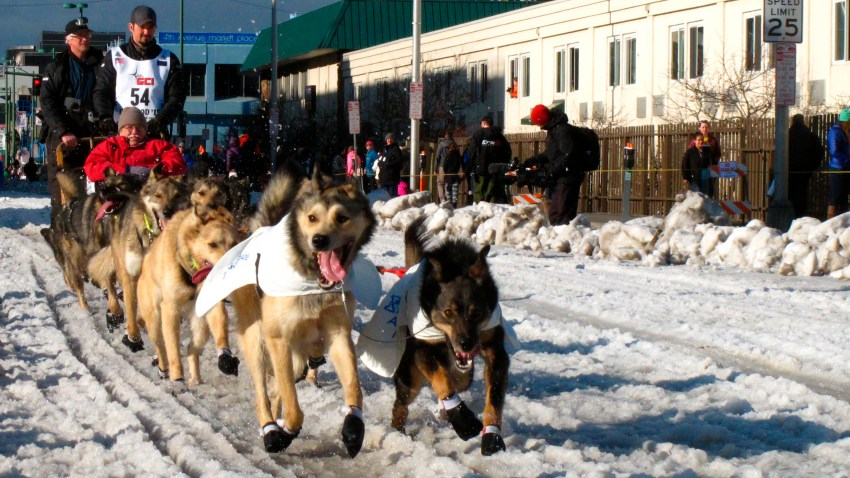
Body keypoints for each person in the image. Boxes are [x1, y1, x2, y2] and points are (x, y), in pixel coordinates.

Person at [40, 16, 104, 219]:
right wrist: (63, 130)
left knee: (96, 185)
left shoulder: (102, 63)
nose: (84, 39)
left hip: (92, 132)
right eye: (79, 36)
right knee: (63, 188)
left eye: (87, 35)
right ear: (68, 40)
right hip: (64, 133)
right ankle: (62, 229)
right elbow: (48, 102)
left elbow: (109, 93)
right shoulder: (56, 66)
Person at [94, 5, 185, 139]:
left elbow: (176, 98)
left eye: (151, 27)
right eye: (142, 27)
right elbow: (102, 91)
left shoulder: (168, 60)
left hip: (153, 134)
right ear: (131, 27)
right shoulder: (114, 56)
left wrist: (159, 121)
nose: (147, 32)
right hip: (121, 132)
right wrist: (105, 116)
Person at [84, 106, 185, 183]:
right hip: (119, 191)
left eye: (139, 128)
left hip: (150, 191)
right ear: (120, 131)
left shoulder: (157, 145)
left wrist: (153, 171)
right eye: (129, 128)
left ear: (145, 131)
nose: (134, 132)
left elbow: (177, 162)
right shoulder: (110, 146)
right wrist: (125, 170)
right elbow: (92, 166)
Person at [525, 104, 588, 225]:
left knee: (561, 214)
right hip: (560, 176)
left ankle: (564, 238)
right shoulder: (553, 130)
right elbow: (551, 154)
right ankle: (559, 235)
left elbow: (568, 156)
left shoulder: (562, 130)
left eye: (538, 123)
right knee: (555, 212)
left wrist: (550, 170)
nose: (538, 127)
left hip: (568, 177)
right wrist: (533, 160)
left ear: (542, 120)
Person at [468, 115, 511, 203]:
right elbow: (507, 151)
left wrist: (470, 166)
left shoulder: (478, 134)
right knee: (491, 191)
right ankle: (491, 210)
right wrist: (503, 165)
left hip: (480, 167)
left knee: (479, 190)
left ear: (484, 123)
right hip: (495, 168)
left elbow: (471, 151)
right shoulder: (499, 136)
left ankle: (480, 209)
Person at [788, 114, 824, 218]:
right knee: (802, 192)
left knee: (790, 193)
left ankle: (792, 216)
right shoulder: (810, 135)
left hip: (790, 169)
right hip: (805, 170)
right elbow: (819, 151)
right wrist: (813, 166)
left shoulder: (787, 135)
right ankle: (801, 215)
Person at [688, 120, 721, 197]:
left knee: (710, 189)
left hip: (710, 168)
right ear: (699, 128)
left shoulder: (712, 140)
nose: (705, 129)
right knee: (698, 190)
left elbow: (718, 153)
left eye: (706, 127)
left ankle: (709, 204)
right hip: (698, 170)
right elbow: (690, 153)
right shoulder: (694, 141)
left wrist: (714, 163)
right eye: (703, 127)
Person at [827, 109, 850, 218]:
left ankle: (843, 223)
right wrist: (847, 159)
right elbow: (834, 151)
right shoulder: (835, 132)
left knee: (845, 197)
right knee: (835, 197)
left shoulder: (846, 131)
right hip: (837, 168)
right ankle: (830, 221)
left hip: (846, 167)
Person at [380, 133, 404, 198]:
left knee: (392, 197)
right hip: (385, 179)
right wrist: (380, 164)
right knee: (385, 197)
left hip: (392, 179)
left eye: (390, 138)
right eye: (388, 139)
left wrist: (389, 164)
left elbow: (399, 161)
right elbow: (382, 160)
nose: (389, 140)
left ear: (393, 140)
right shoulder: (385, 150)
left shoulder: (396, 149)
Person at [435, 130, 455, 203]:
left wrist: (435, 168)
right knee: (448, 183)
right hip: (452, 167)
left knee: (440, 183)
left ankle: (442, 199)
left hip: (442, 166)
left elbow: (437, 157)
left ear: (445, 136)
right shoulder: (454, 144)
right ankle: (449, 199)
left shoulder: (441, 144)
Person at [443, 141, 464, 208]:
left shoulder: (447, 156)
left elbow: (444, 167)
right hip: (455, 177)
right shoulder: (459, 156)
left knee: (448, 195)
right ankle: (454, 207)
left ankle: (449, 208)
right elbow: (463, 166)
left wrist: (446, 174)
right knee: (455, 196)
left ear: (450, 148)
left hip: (448, 178)